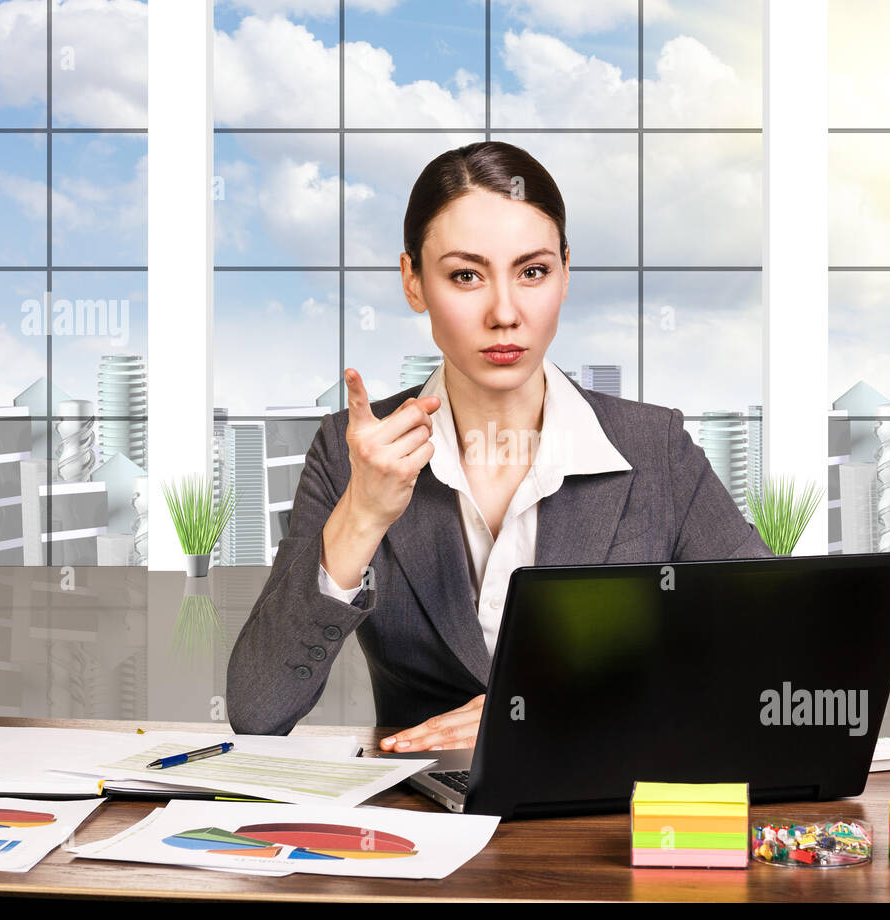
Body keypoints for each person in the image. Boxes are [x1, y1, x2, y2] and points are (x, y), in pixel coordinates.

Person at [226, 140, 771, 750]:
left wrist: (554, 705)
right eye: (465, 275)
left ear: (565, 273)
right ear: (413, 282)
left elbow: (773, 653)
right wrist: (362, 515)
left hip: (606, 813)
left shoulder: (655, 448)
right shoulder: (354, 450)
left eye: (532, 272)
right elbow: (256, 709)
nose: (505, 312)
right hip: (424, 815)